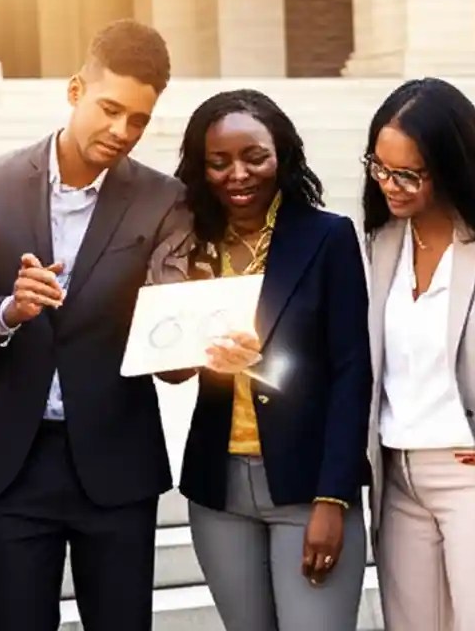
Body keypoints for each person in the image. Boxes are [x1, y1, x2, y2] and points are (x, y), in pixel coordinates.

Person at [0, 19, 186, 631]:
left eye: (139, 120)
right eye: (110, 109)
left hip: (118, 466)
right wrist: (9, 311)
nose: (122, 131)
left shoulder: (164, 200)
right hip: (13, 469)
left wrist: (189, 331)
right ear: (75, 90)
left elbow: (174, 357)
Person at [158, 89, 371, 630]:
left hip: (307, 485)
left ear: (282, 154)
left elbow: (352, 372)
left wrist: (334, 497)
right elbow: (172, 366)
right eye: (219, 162)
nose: (238, 174)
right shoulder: (189, 245)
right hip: (217, 487)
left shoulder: (327, 237)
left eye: (255, 157)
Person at [362, 77, 475, 630]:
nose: (390, 186)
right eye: (379, 167)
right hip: (397, 476)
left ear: (452, 166)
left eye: (408, 174)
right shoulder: (382, 240)